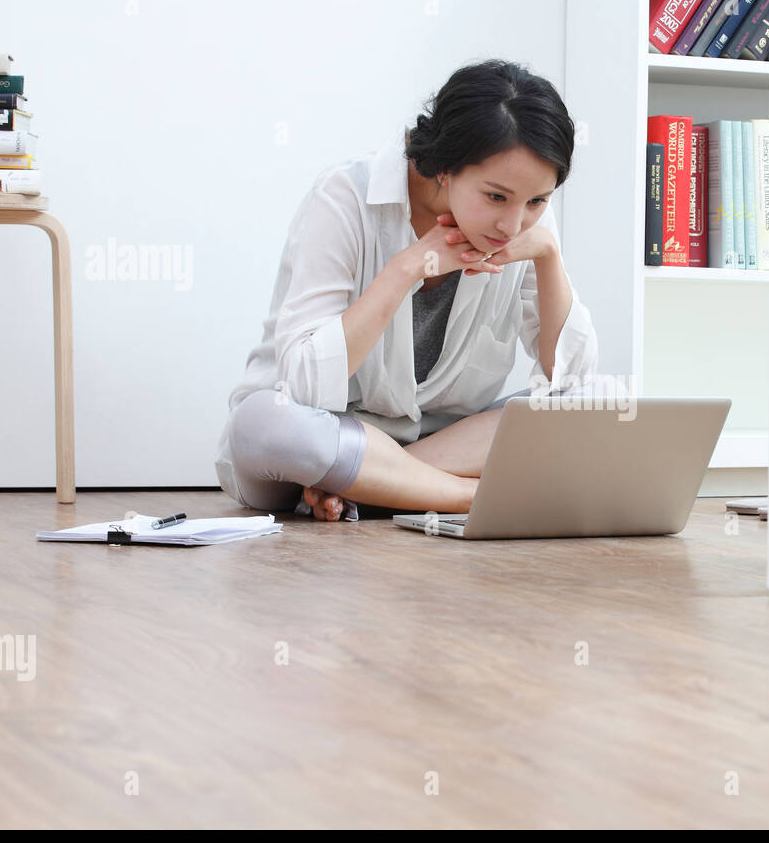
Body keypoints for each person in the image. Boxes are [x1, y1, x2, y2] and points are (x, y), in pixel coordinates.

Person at [214, 59, 598, 520]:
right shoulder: (344, 198)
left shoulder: (523, 218)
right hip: (321, 440)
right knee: (264, 420)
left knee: (586, 406)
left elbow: (570, 379)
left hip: (439, 445)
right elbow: (305, 386)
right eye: (495, 197)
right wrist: (407, 268)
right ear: (445, 169)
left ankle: (377, 487)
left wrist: (549, 257)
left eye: (538, 201)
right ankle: (470, 497)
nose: (512, 224)